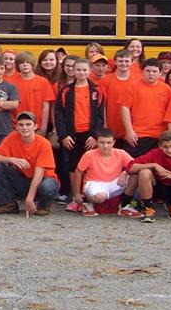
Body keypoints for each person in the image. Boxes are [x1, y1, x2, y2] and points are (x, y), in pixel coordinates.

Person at [54, 57, 104, 209]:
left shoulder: (96, 90)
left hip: (89, 135)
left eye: (84, 70)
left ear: (89, 71)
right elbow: (59, 114)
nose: (81, 73)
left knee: (89, 166)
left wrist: (95, 135)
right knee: (73, 165)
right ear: (73, 71)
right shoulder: (66, 91)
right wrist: (63, 135)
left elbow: (100, 115)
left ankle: (88, 196)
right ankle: (76, 197)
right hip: (72, 135)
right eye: (78, 70)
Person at [71, 129, 133, 218]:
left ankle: (125, 206)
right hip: (94, 183)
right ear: (96, 142)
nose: (105, 146)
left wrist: (124, 173)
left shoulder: (121, 153)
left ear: (114, 142)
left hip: (114, 183)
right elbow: (78, 171)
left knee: (136, 175)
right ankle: (86, 200)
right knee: (100, 197)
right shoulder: (89, 154)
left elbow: (134, 165)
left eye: (109, 142)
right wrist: (77, 194)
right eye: (102, 142)